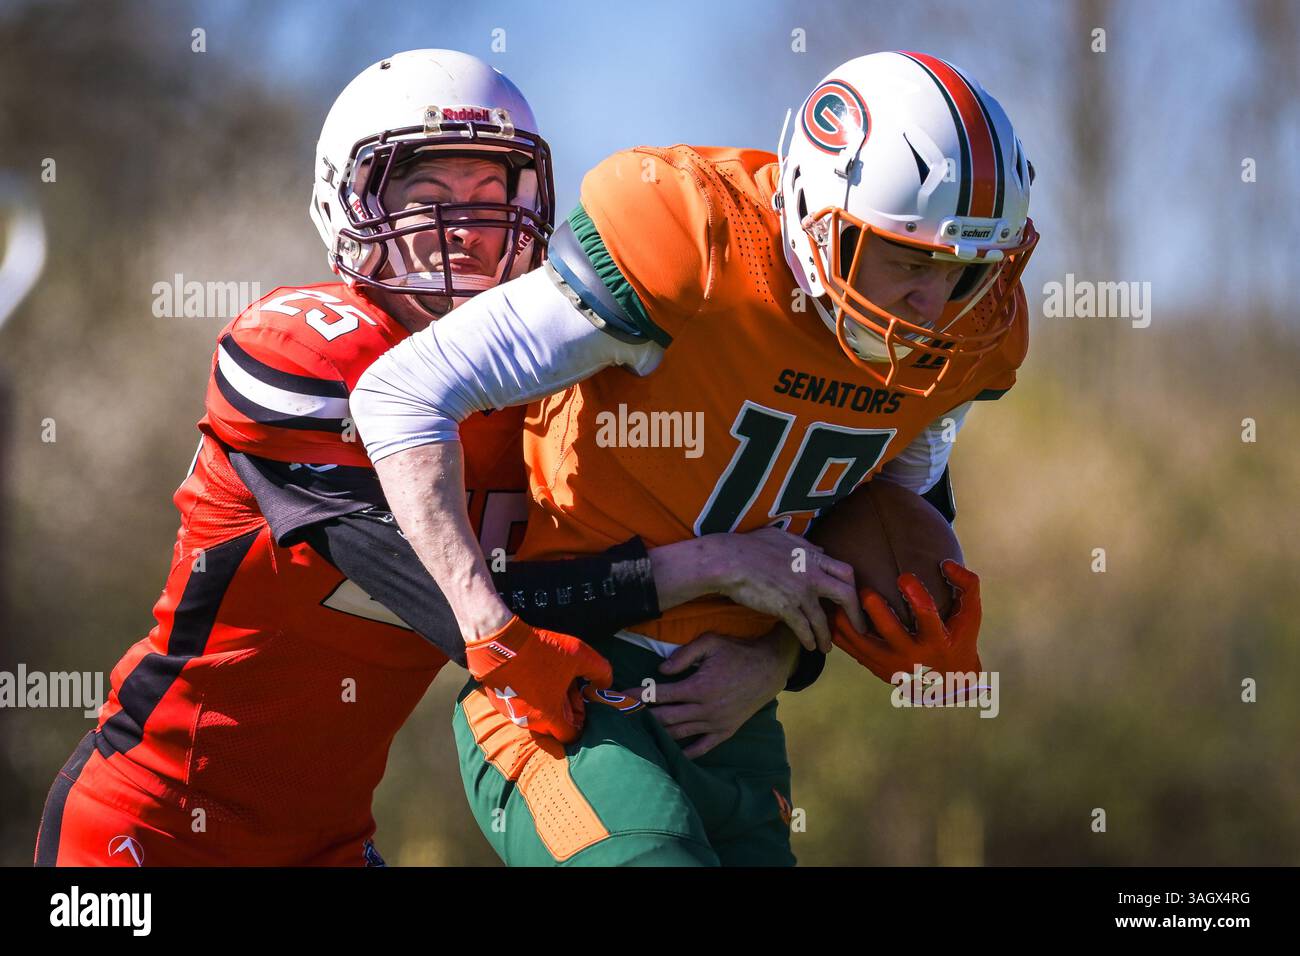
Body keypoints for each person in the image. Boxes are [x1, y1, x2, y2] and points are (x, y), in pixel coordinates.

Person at [34, 49, 845, 867]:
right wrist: (709, 564)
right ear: (344, 203)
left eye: (493, 200)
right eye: (428, 198)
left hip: (331, 843)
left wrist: (778, 652)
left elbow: (757, 488)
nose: (464, 227)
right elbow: (460, 597)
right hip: (150, 821)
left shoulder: (544, 388)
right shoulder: (304, 345)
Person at [350, 50, 1039, 865]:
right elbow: (400, 393)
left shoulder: (968, 339)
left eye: (967, 271)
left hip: (731, 721)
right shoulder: (691, 243)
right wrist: (494, 634)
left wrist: (777, 656)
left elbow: (862, 519)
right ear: (820, 217)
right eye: (911, 261)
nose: (937, 304)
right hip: (570, 694)